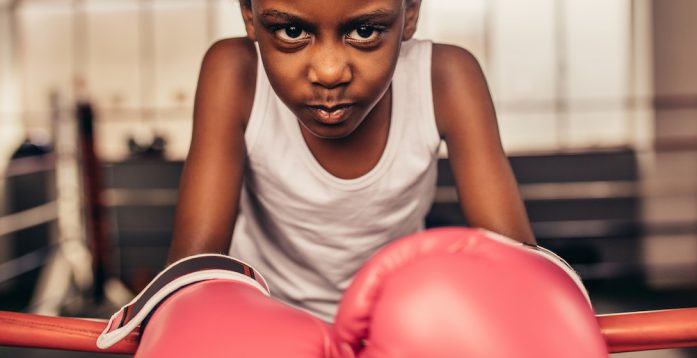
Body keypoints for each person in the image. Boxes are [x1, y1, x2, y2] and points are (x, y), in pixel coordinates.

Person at [167, 0, 535, 322]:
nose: (329, 73)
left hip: (398, 321)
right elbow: (190, 273)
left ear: (409, 13)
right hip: (264, 318)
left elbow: (520, 268)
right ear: (250, 15)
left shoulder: (445, 77)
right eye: (292, 31)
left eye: (364, 31)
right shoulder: (235, 72)